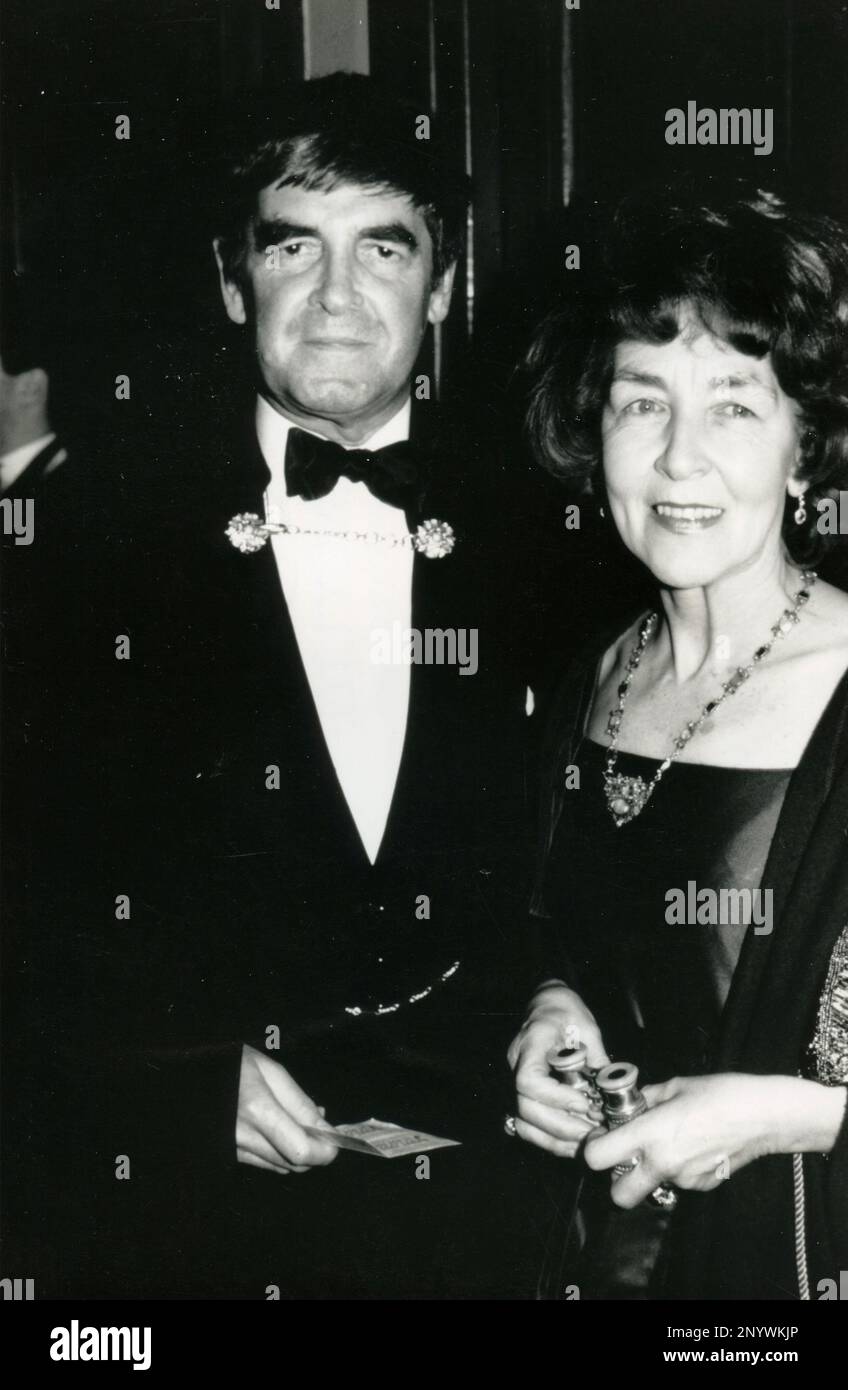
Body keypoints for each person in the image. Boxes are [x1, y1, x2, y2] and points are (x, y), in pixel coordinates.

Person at [10, 73, 545, 1299]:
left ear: (444, 284)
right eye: (294, 247)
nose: (341, 298)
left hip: (490, 1224)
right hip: (176, 1233)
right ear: (231, 278)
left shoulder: (552, 534)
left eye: (386, 248)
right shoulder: (74, 544)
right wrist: (167, 1083)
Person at [508, 186, 848, 1300]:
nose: (676, 460)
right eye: (640, 402)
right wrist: (551, 1008)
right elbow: (565, 934)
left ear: (806, 450)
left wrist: (790, 1114)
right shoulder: (587, 681)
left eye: (735, 407)